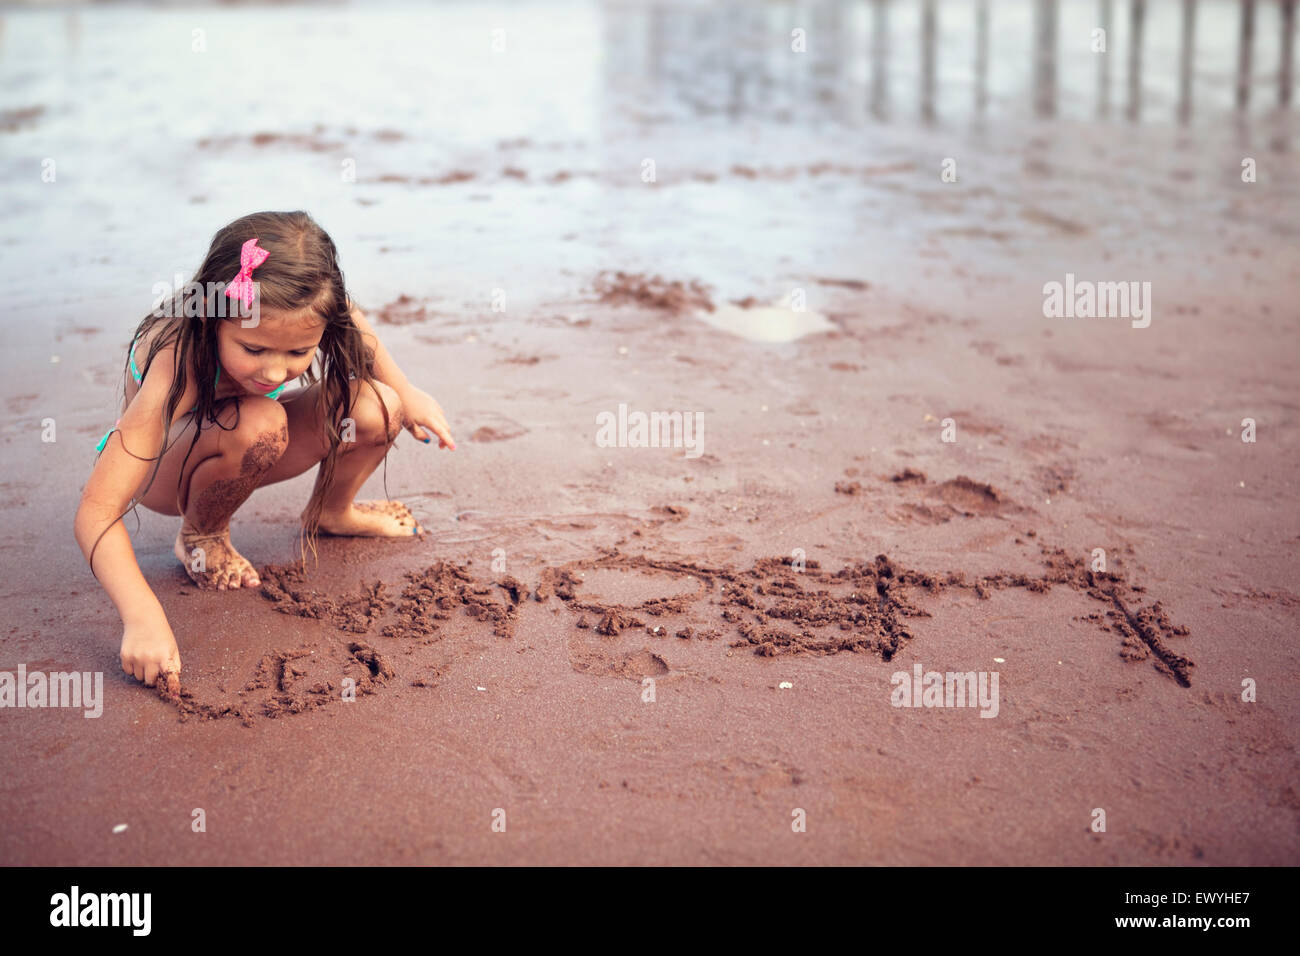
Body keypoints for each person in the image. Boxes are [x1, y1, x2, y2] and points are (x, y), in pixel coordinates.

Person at [72, 210, 455, 689]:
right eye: (254, 350)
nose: (276, 373)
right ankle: (202, 536)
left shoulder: (306, 308)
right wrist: (142, 615)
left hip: (247, 442)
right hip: (166, 474)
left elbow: (354, 323)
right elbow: (96, 510)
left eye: (298, 353)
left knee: (380, 405)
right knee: (261, 418)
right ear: (213, 321)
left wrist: (408, 390)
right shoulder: (179, 358)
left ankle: (334, 512)